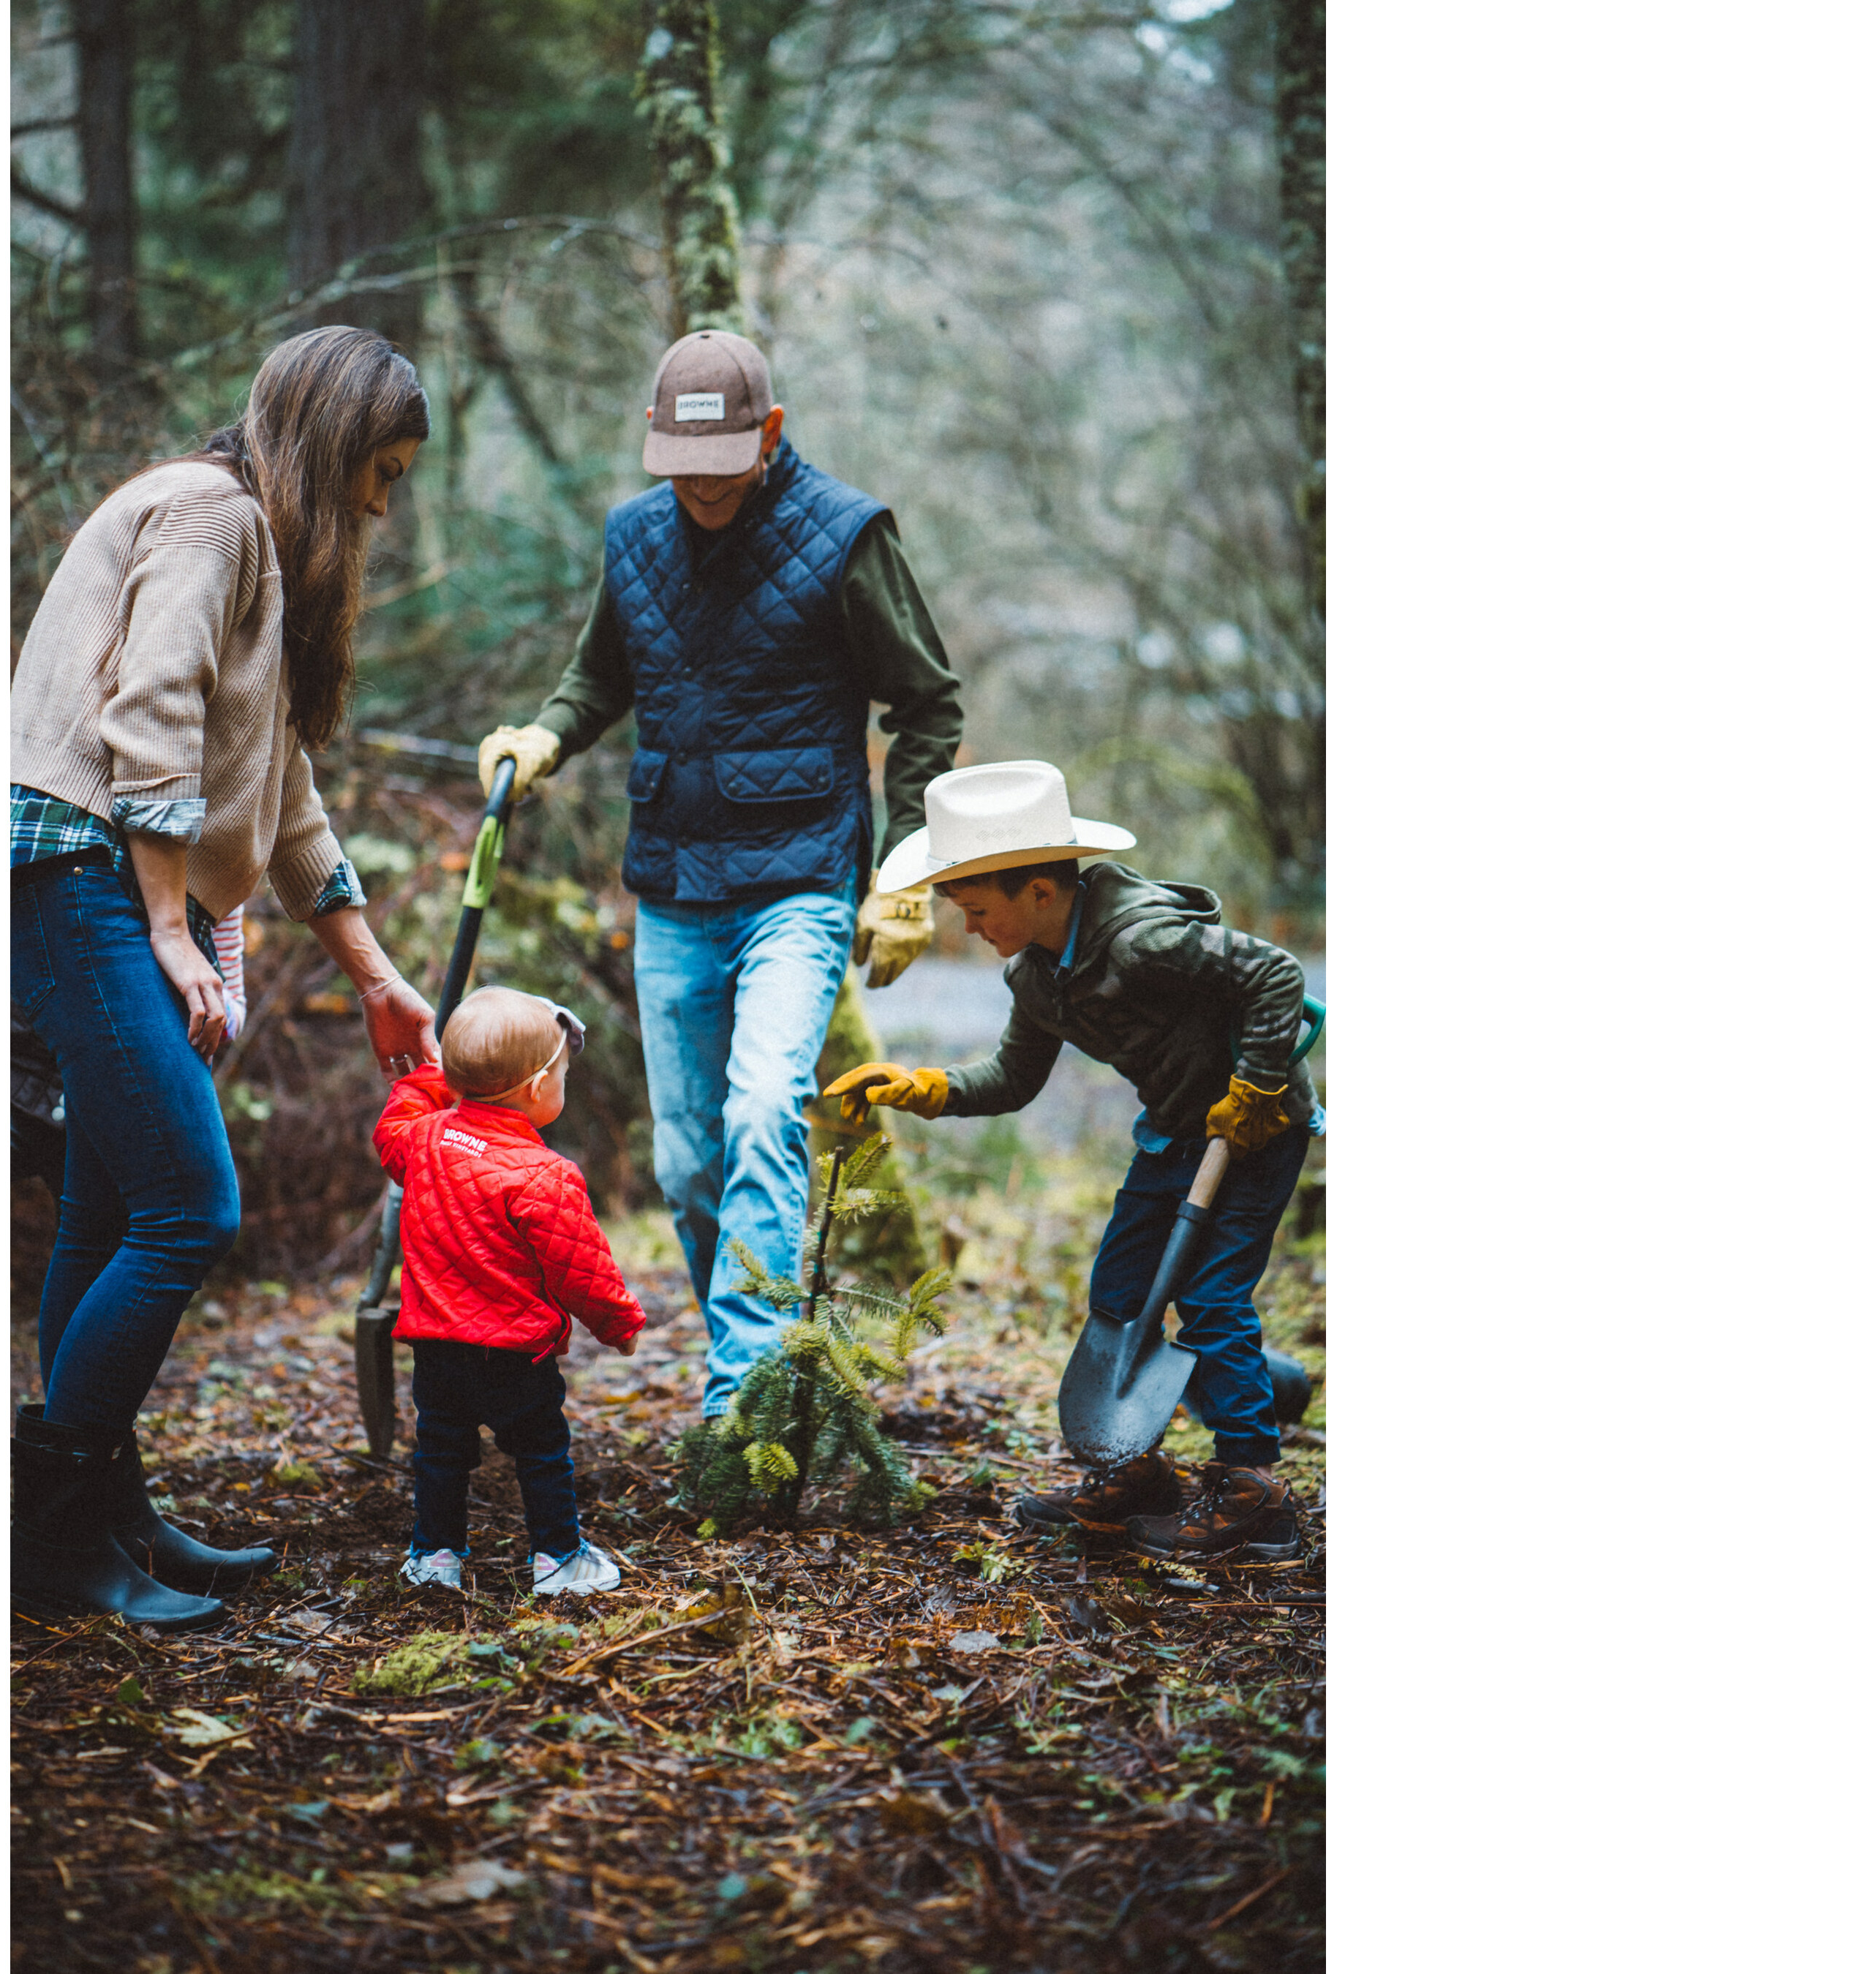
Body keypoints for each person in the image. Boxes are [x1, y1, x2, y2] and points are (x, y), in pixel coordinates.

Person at [11, 325, 446, 1632]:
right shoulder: (210, 515)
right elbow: (150, 711)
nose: (381, 503)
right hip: (79, 865)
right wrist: (165, 922)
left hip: (100, 872)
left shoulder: (248, 542)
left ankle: (108, 1511)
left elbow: (281, 790)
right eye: (379, 470)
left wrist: (373, 973)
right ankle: (39, 1526)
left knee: (105, 1204)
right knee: (188, 1206)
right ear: (327, 444)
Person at [472, 328, 965, 1420]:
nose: (698, 487)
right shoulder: (636, 537)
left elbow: (926, 702)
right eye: (678, 466)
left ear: (771, 434)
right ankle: (761, 1353)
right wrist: (544, 738)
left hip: (798, 876)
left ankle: (742, 1401)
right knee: (688, 1159)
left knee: (760, 1114)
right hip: (675, 880)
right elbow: (599, 676)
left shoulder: (845, 535)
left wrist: (907, 866)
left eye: (722, 463)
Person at [826, 760, 1324, 1562]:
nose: (971, 929)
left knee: (1209, 1296)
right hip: (1173, 1131)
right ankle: (1141, 1471)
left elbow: (1276, 973)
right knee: (1119, 1291)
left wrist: (1259, 1084)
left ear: (1041, 892)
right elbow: (1014, 1078)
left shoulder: (1143, 938)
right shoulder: (1035, 975)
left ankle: (1254, 1487)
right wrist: (922, 1087)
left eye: (979, 909)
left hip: (1253, 1132)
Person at [373, 989, 646, 1596]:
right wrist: (618, 1324)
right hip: (515, 1353)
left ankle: (434, 1558)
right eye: (563, 1077)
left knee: (440, 1452)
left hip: (436, 1349)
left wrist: (430, 1078)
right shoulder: (544, 1174)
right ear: (535, 1088)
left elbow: (392, 1124)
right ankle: (556, 1558)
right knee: (541, 1451)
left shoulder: (424, 1143)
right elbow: (583, 1269)